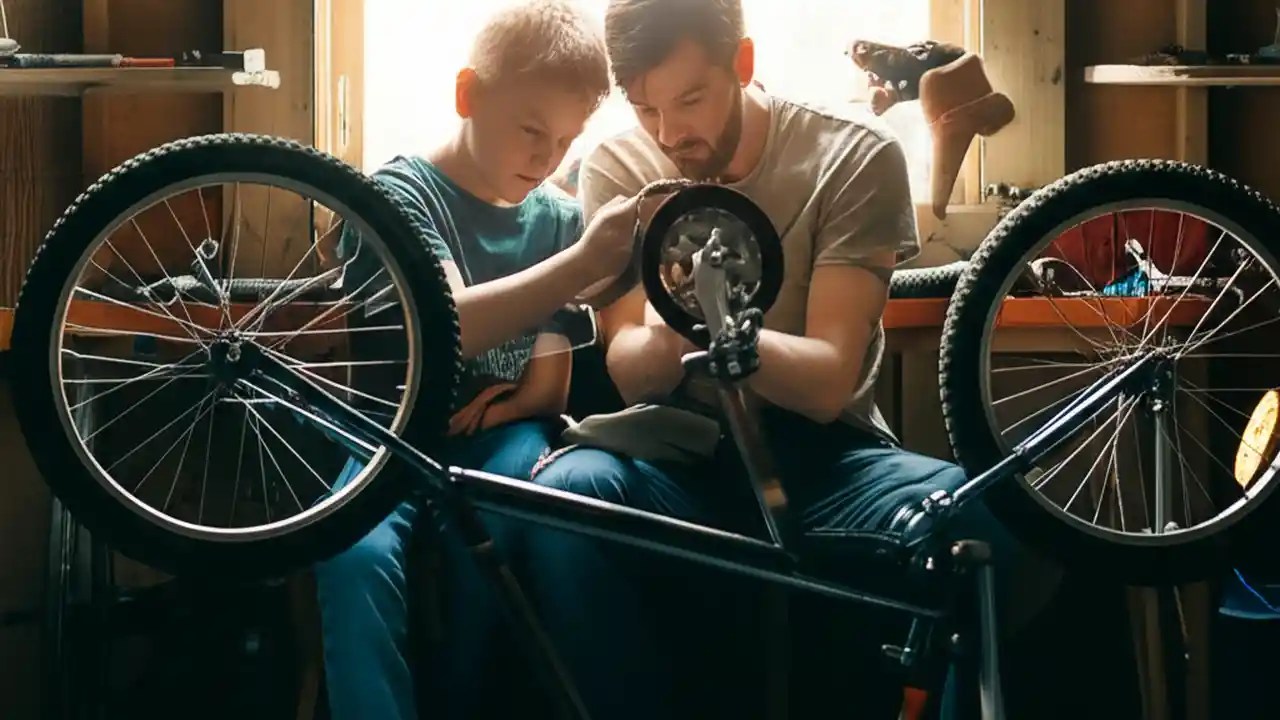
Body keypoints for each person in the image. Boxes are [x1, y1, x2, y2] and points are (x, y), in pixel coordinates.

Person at [489, 1, 1056, 718]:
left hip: (828, 458)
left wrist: (715, 323)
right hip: (674, 453)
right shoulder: (618, 165)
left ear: (744, 64)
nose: (670, 136)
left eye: (690, 99)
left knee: (993, 528)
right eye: (644, 108)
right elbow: (631, 368)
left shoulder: (851, 155)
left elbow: (827, 381)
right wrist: (680, 325)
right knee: (566, 499)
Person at [310, 2, 642, 718]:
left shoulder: (556, 218)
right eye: (530, 130)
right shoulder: (399, 195)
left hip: (502, 430)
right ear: (469, 96)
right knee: (352, 559)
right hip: (387, 434)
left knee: (498, 532)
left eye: (566, 140)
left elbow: (548, 383)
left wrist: (521, 404)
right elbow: (449, 321)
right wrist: (582, 261)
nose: (546, 158)